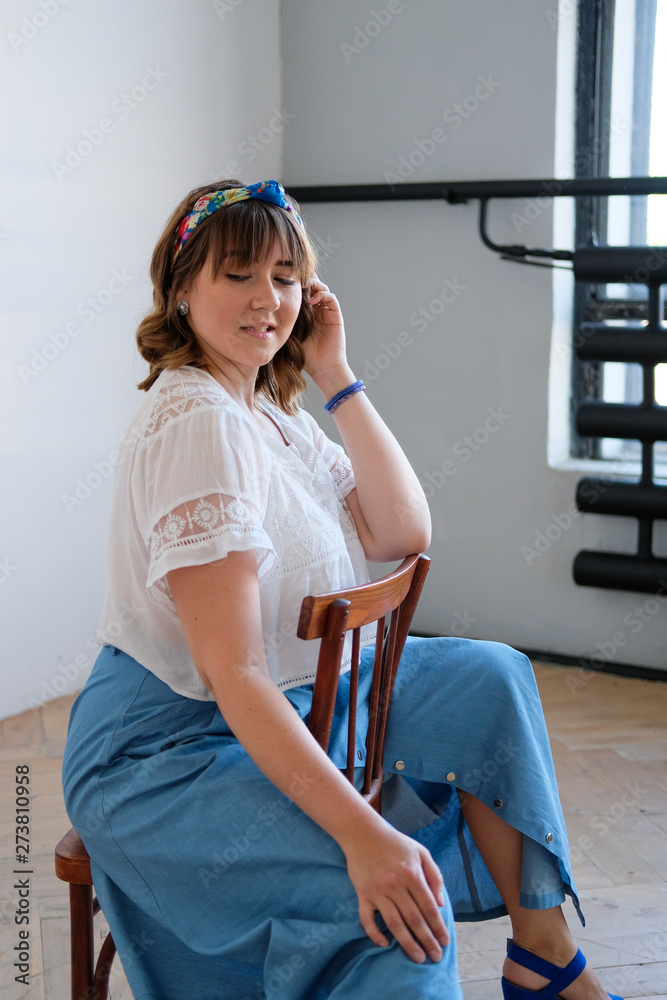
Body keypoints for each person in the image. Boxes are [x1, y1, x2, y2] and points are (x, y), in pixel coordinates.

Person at [62, 179, 621, 1000]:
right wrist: (368, 839)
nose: (267, 299)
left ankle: (543, 959)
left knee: (490, 678)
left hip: (303, 692)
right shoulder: (198, 423)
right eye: (239, 275)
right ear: (181, 290)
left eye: (285, 277)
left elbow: (401, 530)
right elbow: (234, 675)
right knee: (399, 897)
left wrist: (335, 372)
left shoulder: (270, 412)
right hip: (170, 749)